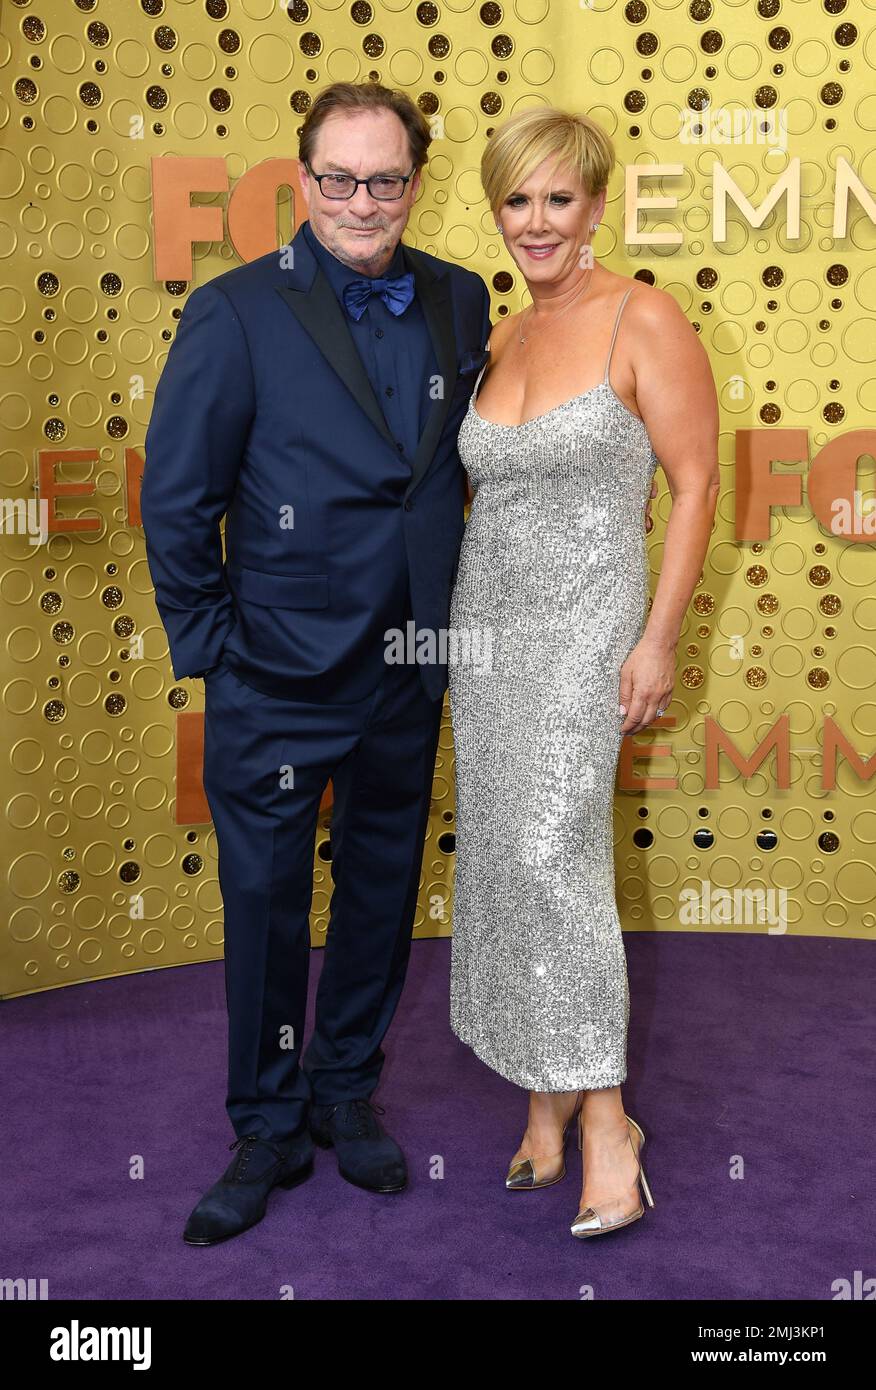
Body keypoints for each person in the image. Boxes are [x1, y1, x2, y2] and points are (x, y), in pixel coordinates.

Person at [140, 80, 494, 1245]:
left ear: (413, 182)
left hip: (412, 661)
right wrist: (216, 651)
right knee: (267, 904)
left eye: (384, 178)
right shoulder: (236, 311)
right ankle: (266, 1119)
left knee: (383, 892)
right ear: (303, 184)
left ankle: (346, 1088)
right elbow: (179, 498)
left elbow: (442, 476)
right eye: (337, 179)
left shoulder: (458, 297)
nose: (360, 201)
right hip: (275, 676)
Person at [447, 107, 719, 1238]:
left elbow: (697, 484)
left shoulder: (643, 320)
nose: (537, 222)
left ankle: (608, 1118)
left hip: (585, 631)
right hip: (486, 633)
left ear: (597, 206)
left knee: (556, 853)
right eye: (517, 200)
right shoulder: (500, 336)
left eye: (560, 198)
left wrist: (656, 638)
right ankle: (542, 1094)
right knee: (506, 863)